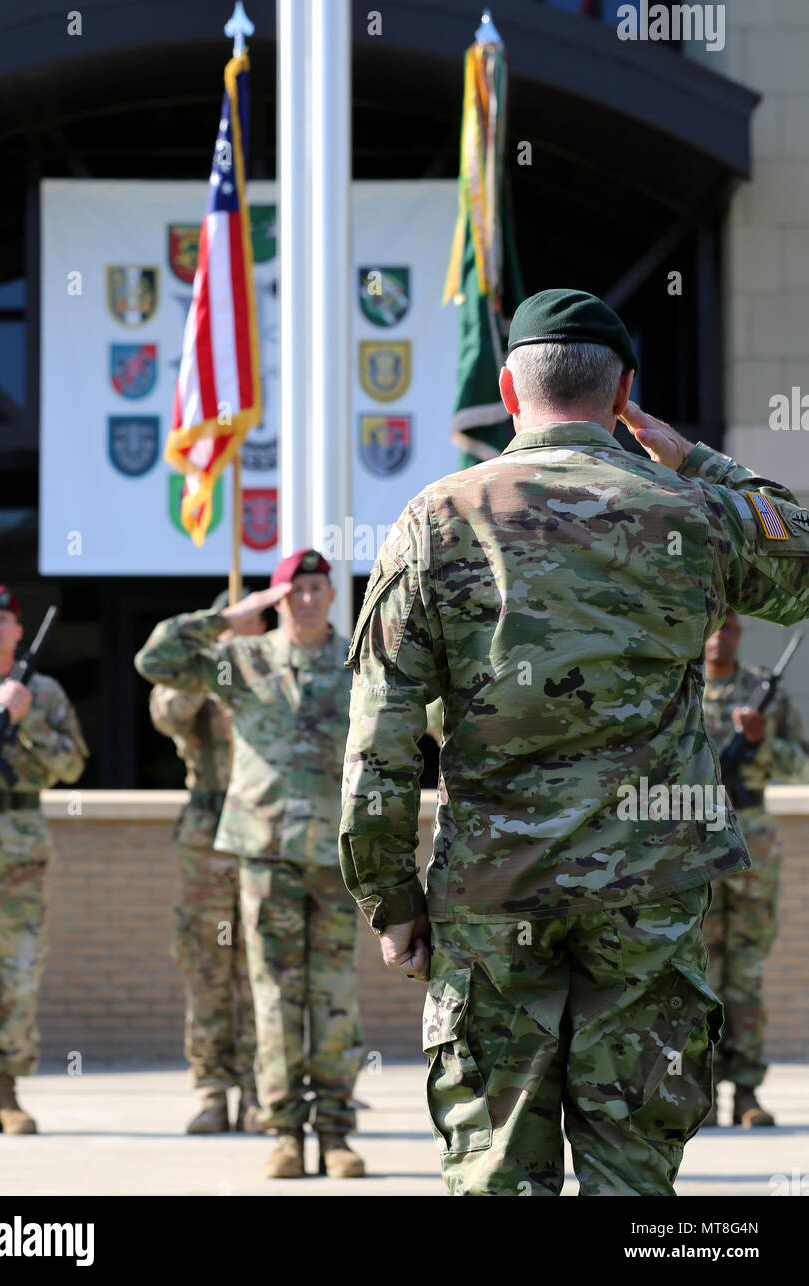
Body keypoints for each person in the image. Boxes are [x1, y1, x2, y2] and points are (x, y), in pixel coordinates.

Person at [340, 287, 809, 1197]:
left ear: (510, 394)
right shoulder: (689, 509)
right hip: (648, 889)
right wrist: (698, 459)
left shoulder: (436, 522)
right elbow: (800, 563)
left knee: (497, 1176)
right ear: (624, 391)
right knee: (633, 1179)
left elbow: (380, 740)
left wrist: (389, 897)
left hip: (492, 889)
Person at [135, 551, 364, 1179]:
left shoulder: (355, 662)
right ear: (277, 599)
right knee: (274, 996)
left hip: (333, 853)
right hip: (263, 852)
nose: (309, 599)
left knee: (334, 994)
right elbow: (155, 661)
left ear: (330, 596)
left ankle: (338, 1132)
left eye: (318, 588)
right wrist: (226, 618)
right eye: (295, 589)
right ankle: (285, 1130)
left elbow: (407, 732)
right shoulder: (242, 662)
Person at [0, 586, 88, 1135]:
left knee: (19, 972)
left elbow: (73, 767)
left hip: (23, 851)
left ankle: (9, 1095)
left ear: (20, 634)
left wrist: (25, 721)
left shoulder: (42, 692)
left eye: (7, 620)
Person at [141, 588, 266, 1135]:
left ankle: (262, 1092)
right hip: (208, 838)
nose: (244, 634)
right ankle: (213, 1091)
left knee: (261, 967)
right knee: (208, 966)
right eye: (235, 625)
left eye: (252, 624)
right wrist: (213, 667)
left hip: (263, 833)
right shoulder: (197, 678)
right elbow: (167, 712)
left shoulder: (275, 677)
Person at [701, 609, 809, 1128]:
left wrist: (762, 740)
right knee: (692, 973)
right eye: (714, 627)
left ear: (739, 635)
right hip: (692, 847)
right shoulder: (676, 692)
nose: (722, 637)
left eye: (730, 627)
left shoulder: (764, 693)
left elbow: (802, 765)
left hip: (752, 849)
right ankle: (695, 1093)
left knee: (745, 973)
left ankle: (745, 1093)